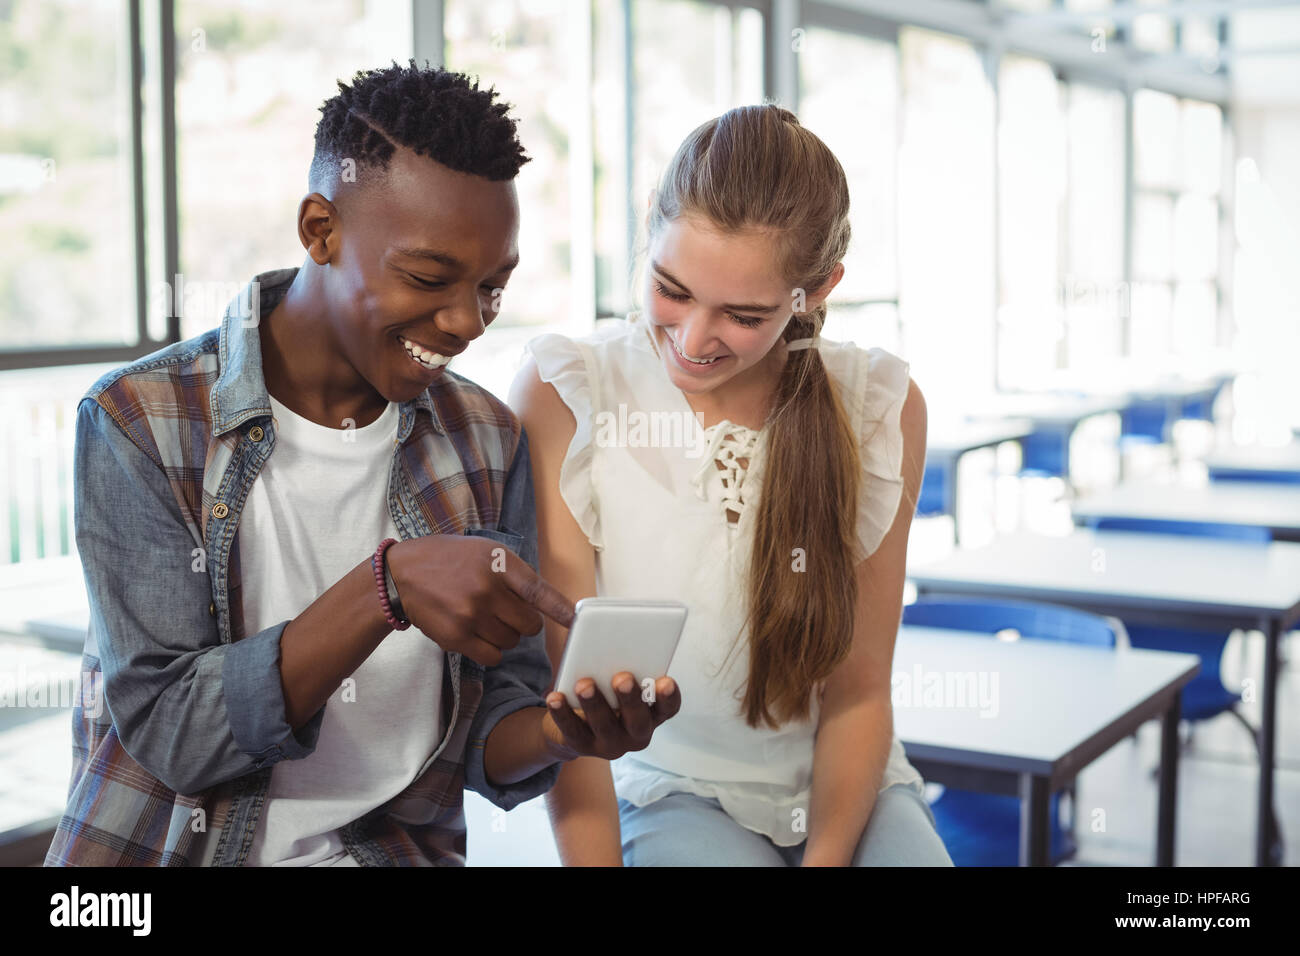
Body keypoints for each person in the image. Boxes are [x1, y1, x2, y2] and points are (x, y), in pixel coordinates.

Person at [44, 61, 679, 867]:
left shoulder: (486, 437)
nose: (465, 322)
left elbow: (489, 727)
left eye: (492, 286)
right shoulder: (142, 423)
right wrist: (386, 585)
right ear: (320, 229)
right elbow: (175, 736)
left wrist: (562, 734)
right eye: (428, 277)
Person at [511, 104, 953, 866]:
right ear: (649, 227)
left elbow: (858, 695)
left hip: (852, 788)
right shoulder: (567, 392)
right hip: (668, 789)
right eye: (672, 289)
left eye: (744, 315)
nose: (692, 340)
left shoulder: (879, 407)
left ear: (814, 290)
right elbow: (573, 706)